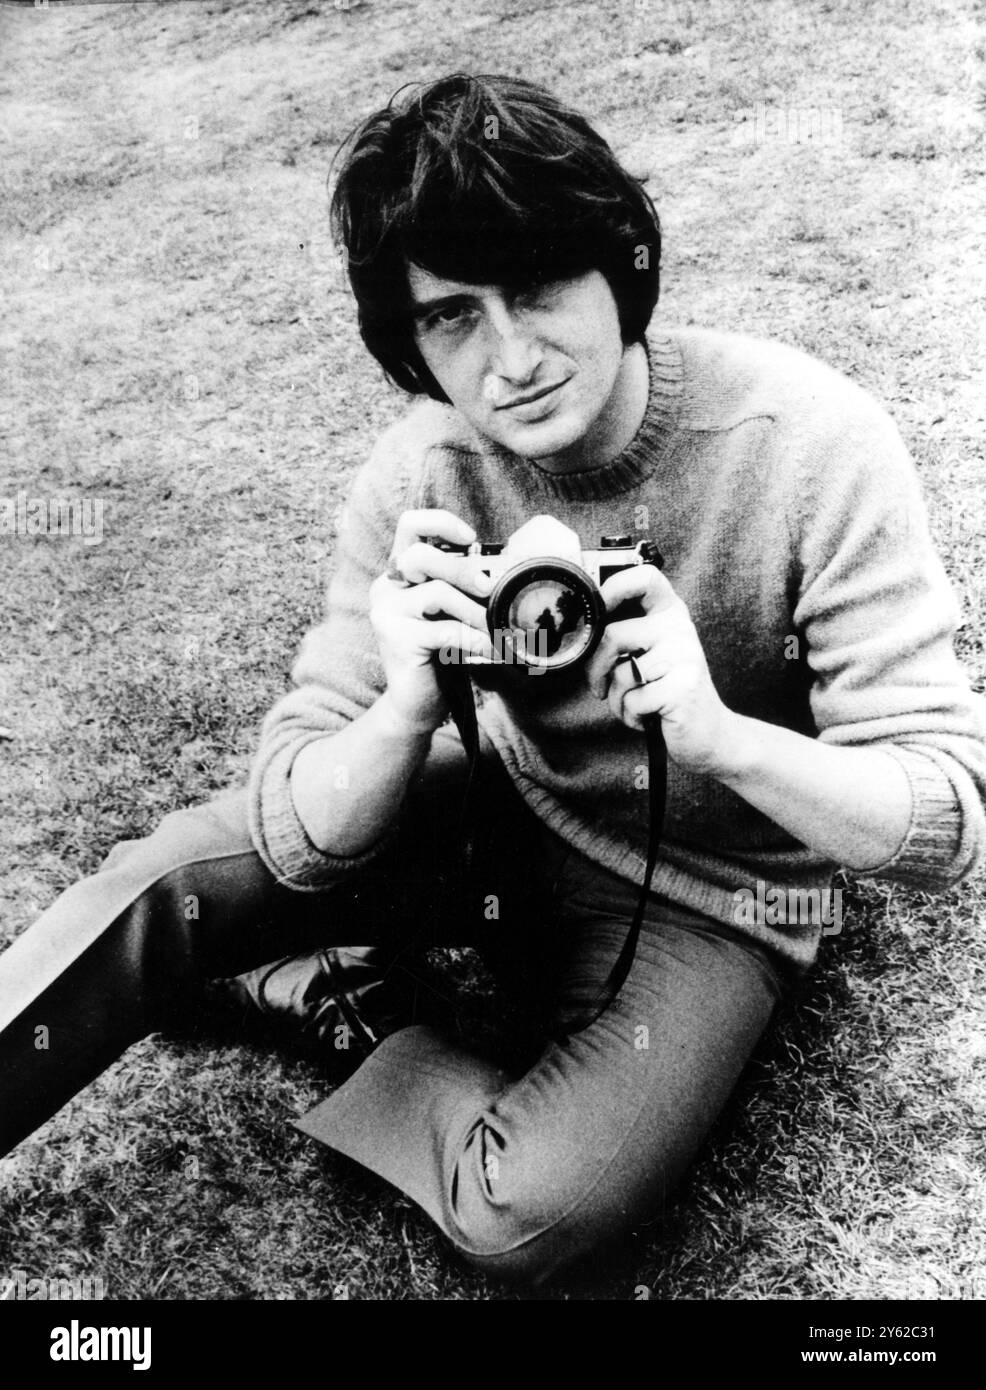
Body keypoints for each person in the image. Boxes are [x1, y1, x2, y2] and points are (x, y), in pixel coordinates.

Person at [2, 72, 985, 1288]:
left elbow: (941, 817)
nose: (510, 358)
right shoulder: (421, 471)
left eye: (536, 288)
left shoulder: (808, 445)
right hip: (501, 805)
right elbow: (302, 819)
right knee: (166, 888)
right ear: (409, 342)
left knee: (526, 1208)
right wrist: (408, 707)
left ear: (616, 270)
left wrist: (717, 733)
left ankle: (352, 1008)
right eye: (452, 315)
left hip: (719, 888)